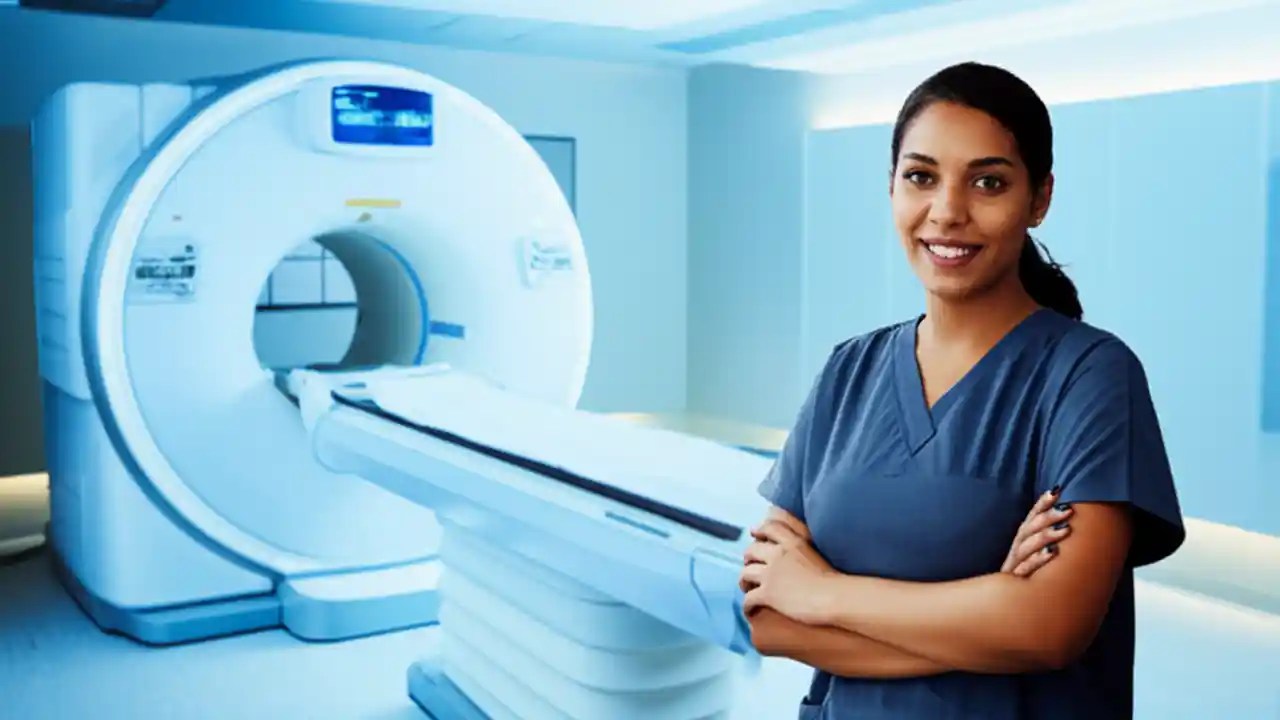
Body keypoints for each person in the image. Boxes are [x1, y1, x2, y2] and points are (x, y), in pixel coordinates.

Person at [737, 61, 1185, 719]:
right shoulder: (847, 372)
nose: (947, 212)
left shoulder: (1090, 376)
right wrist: (991, 607)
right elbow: (769, 618)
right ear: (890, 187)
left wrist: (825, 593)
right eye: (921, 177)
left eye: (988, 182)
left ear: (1039, 198)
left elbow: (1049, 629)